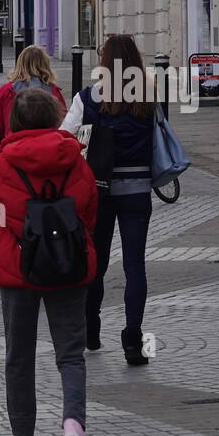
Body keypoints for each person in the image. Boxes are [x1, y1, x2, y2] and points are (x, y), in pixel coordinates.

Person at [0, 87, 98, 436]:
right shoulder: (74, 159)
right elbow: (88, 209)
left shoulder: (4, 162)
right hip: (68, 265)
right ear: (52, 116)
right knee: (71, 352)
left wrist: (8, 241)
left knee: (20, 354)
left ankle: (23, 435)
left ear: (15, 120)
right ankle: (73, 423)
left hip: (18, 267)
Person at [60, 34, 155, 364]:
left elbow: (64, 136)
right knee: (135, 266)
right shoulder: (147, 96)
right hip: (138, 189)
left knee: (95, 262)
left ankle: (92, 328)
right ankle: (133, 341)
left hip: (98, 191)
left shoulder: (87, 98)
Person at [0, 45, 66, 170]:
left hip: (14, 150)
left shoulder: (7, 91)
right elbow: (63, 123)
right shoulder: (53, 92)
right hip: (48, 151)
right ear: (45, 65)